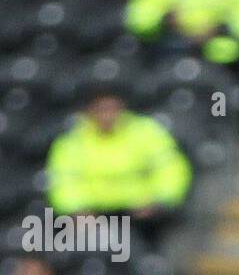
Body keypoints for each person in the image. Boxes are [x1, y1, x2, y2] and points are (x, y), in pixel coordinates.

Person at [47, 90, 192, 224]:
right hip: (94, 215)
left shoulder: (146, 131)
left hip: (143, 214)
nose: (107, 115)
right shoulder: (72, 140)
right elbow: (62, 180)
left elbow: (170, 168)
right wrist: (76, 209)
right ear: (89, 111)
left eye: (112, 109)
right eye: (101, 110)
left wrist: (160, 200)